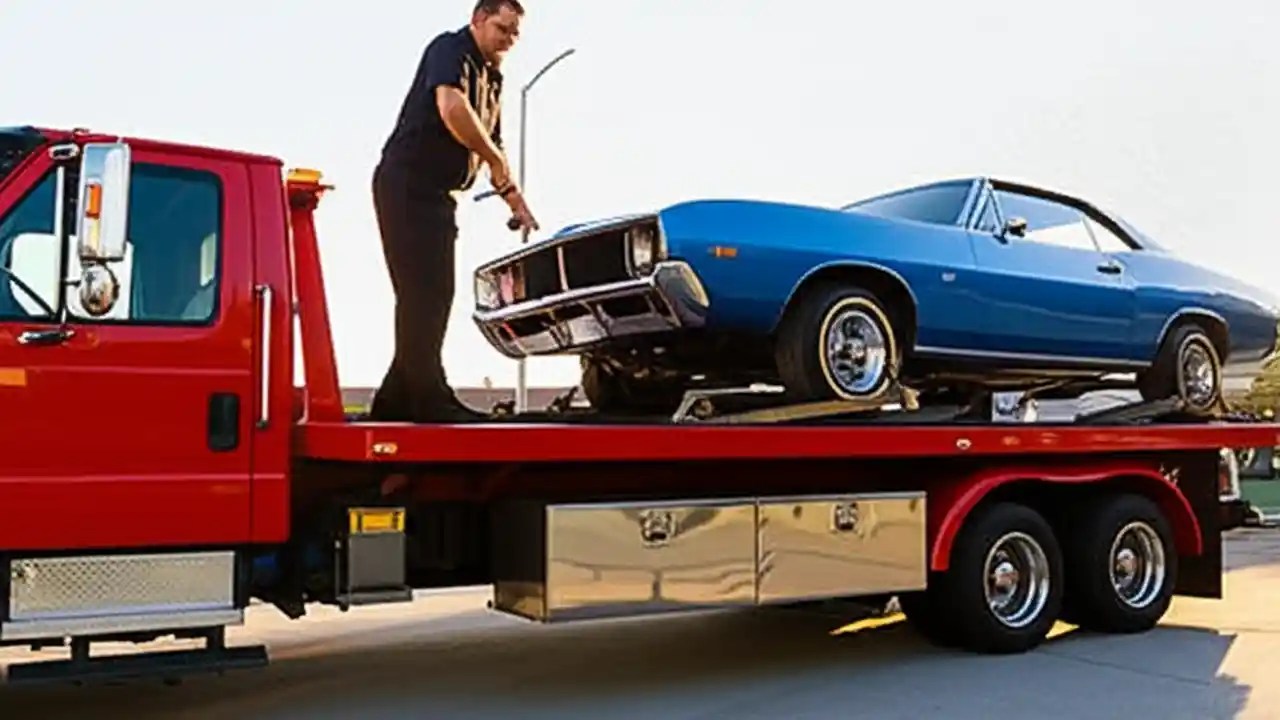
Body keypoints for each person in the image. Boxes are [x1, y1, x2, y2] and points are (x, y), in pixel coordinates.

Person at [370, 0, 538, 423]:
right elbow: (452, 109)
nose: (509, 40)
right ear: (478, 20)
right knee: (425, 294)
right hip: (408, 184)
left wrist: (513, 198)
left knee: (430, 295)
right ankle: (429, 397)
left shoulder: (493, 79)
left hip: (441, 194)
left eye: (516, 34)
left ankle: (393, 403)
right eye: (503, 28)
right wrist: (494, 161)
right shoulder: (450, 49)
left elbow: (492, 145)